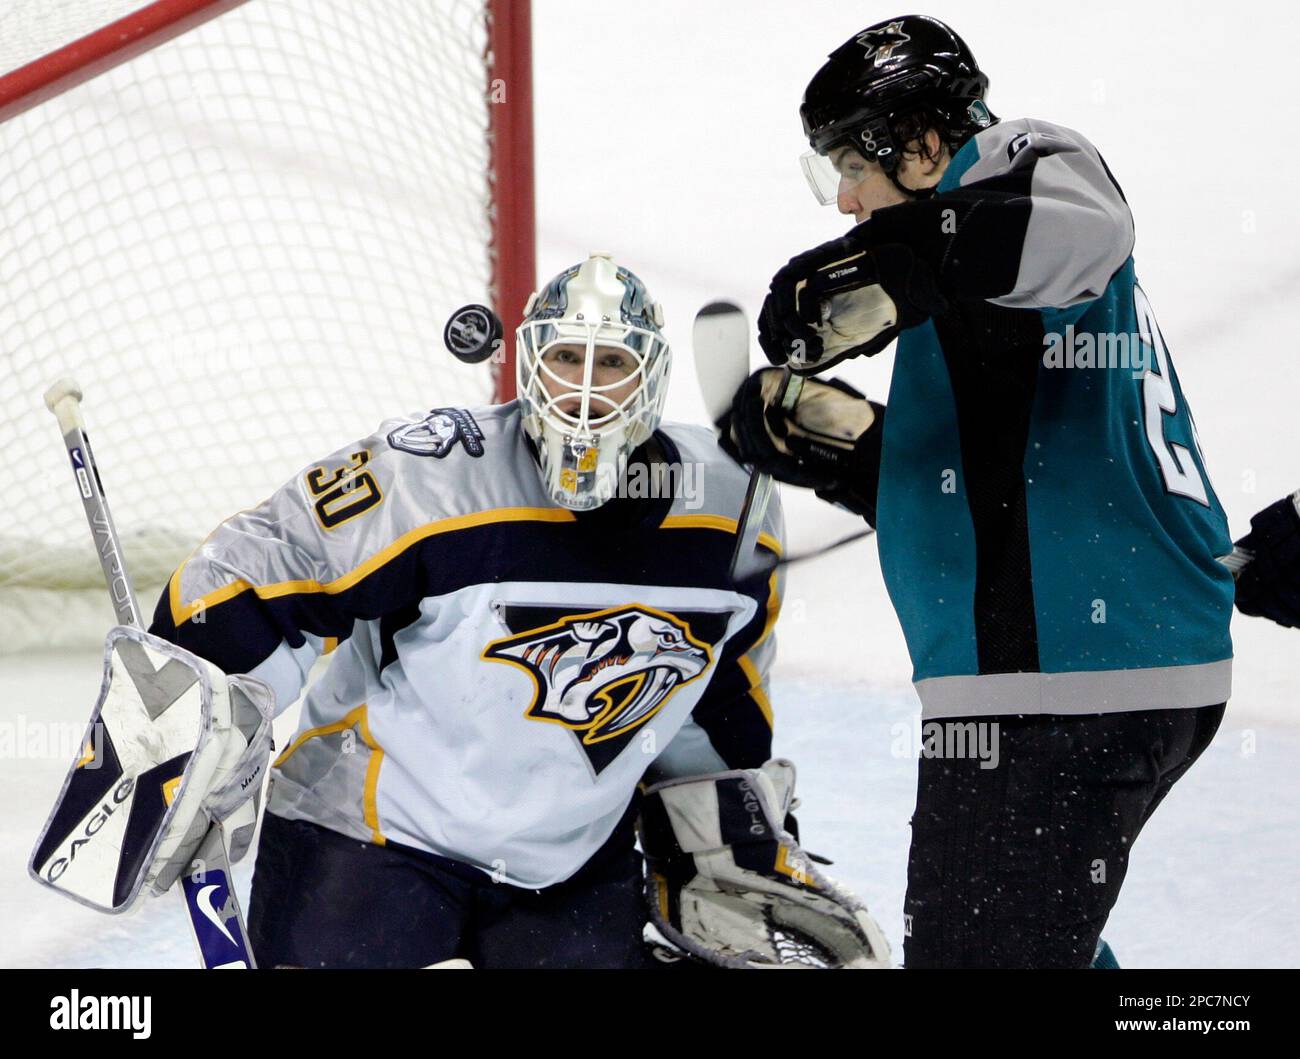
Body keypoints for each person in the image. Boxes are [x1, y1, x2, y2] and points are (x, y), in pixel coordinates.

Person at [145, 253, 887, 969]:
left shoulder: (728, 508)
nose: (586, 392)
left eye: (612, 364)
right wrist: (188, 711)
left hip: (565, 861)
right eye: (566, 359)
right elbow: (269, 562)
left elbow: (711, 697)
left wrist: (726, 831)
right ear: (528, 364)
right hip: (368, 836)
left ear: (652, 378)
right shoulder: (437, 476)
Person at [724, 14, 1235, 968]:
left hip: (1067, 686)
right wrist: (844, 451)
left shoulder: (1018, 162)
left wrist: (877, 266)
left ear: (922, 144)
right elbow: (1006, 478)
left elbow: (1088, 227)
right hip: (1074, 674)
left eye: (848, 163)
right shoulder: (970, 260)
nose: (841, 199)